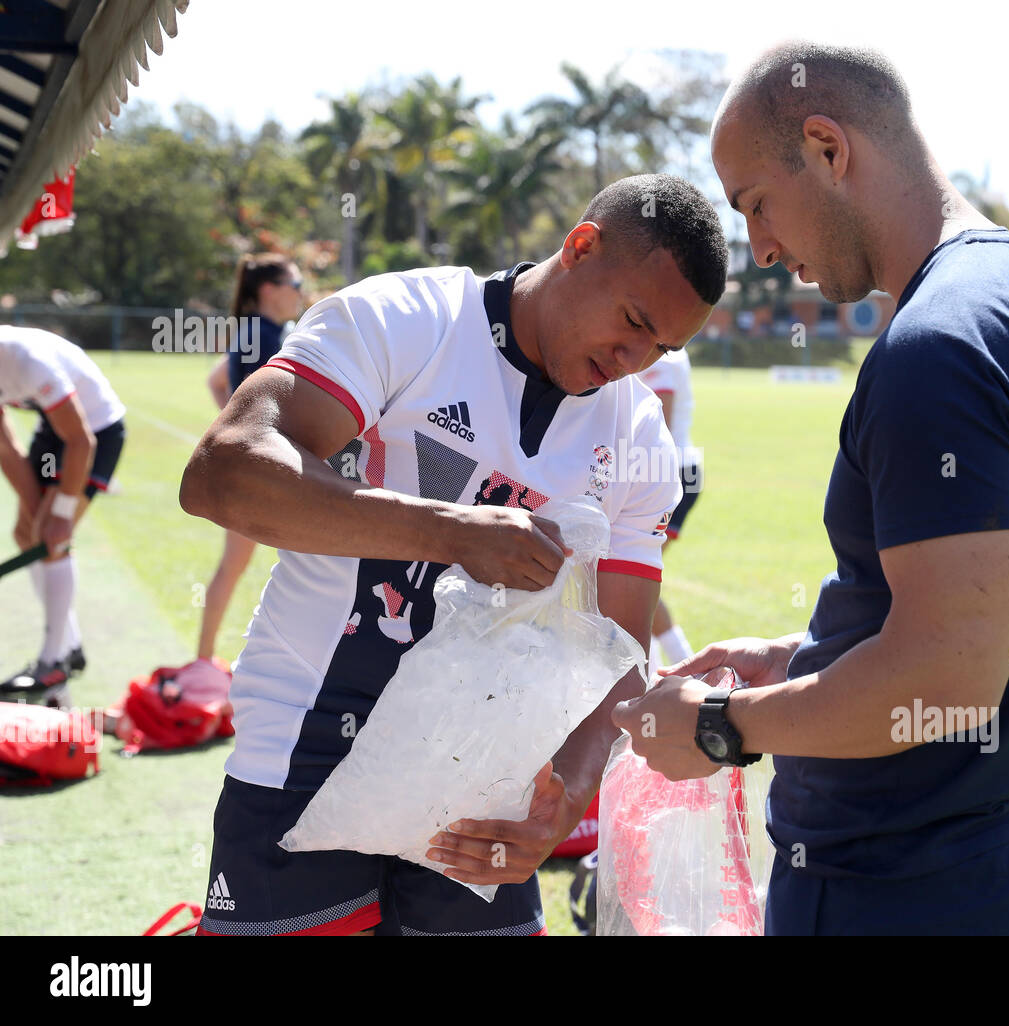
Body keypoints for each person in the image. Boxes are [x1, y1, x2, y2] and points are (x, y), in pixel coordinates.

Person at [614, 42, 1009, 936]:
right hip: (998, 853)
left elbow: (946, 675)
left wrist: (722, 726)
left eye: (757, 206)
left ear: (827, 147)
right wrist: (801, 659)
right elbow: (978, 615)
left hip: (906, 880)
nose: (763, 248)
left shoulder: (939, 344)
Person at [178, 173, 727, 936]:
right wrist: (455, 532)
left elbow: (620, 650)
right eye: (632, 321)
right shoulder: (411, 318)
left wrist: (566, 795)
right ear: (581, 246)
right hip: (306, 748)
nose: (634, 359)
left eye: (660, 347)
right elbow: (222, 472)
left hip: (484, 780)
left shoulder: (637, 437)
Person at [0, 326, 127, 706]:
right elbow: (6, 450)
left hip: (95, 431)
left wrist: (61, 513)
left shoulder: (26, 360)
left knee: (52, 540)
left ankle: (52, 662)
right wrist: (37, 509)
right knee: (28, 533)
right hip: (55, 429)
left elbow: (81, 440)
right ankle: (69, 647)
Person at [195, 253, 303, 670]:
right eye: (294, 285)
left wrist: (231, 430)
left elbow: (216, 380)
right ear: (269, 290)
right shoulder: (267, 336)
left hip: (252, 468)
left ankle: (203, 660)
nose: (300, 293)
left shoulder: (258, 331)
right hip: (265, 474)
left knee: (236, 567)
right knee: (304, 569)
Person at [635, 346, 701, 671]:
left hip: (669, 473)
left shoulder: (662, 348)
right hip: (677, 471)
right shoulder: (665, 342)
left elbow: (662, 418)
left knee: (631, 571)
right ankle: (668, 667)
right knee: (632, 571)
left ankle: (680, 667)